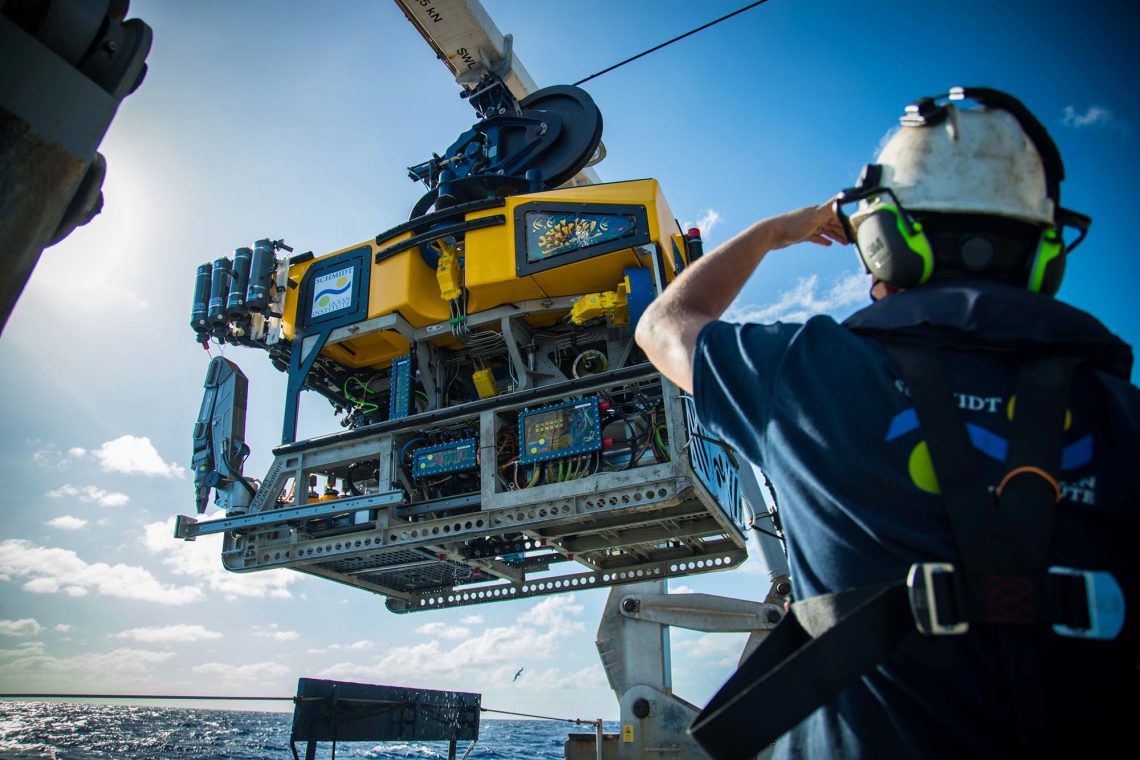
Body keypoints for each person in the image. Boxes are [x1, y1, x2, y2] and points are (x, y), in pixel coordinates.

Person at [635, 87, 1138, 758]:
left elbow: (663, 327)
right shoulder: (1124, 419)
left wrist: (773, 232)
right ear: (1047, 255)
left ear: (887, 243)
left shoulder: (806, 373)